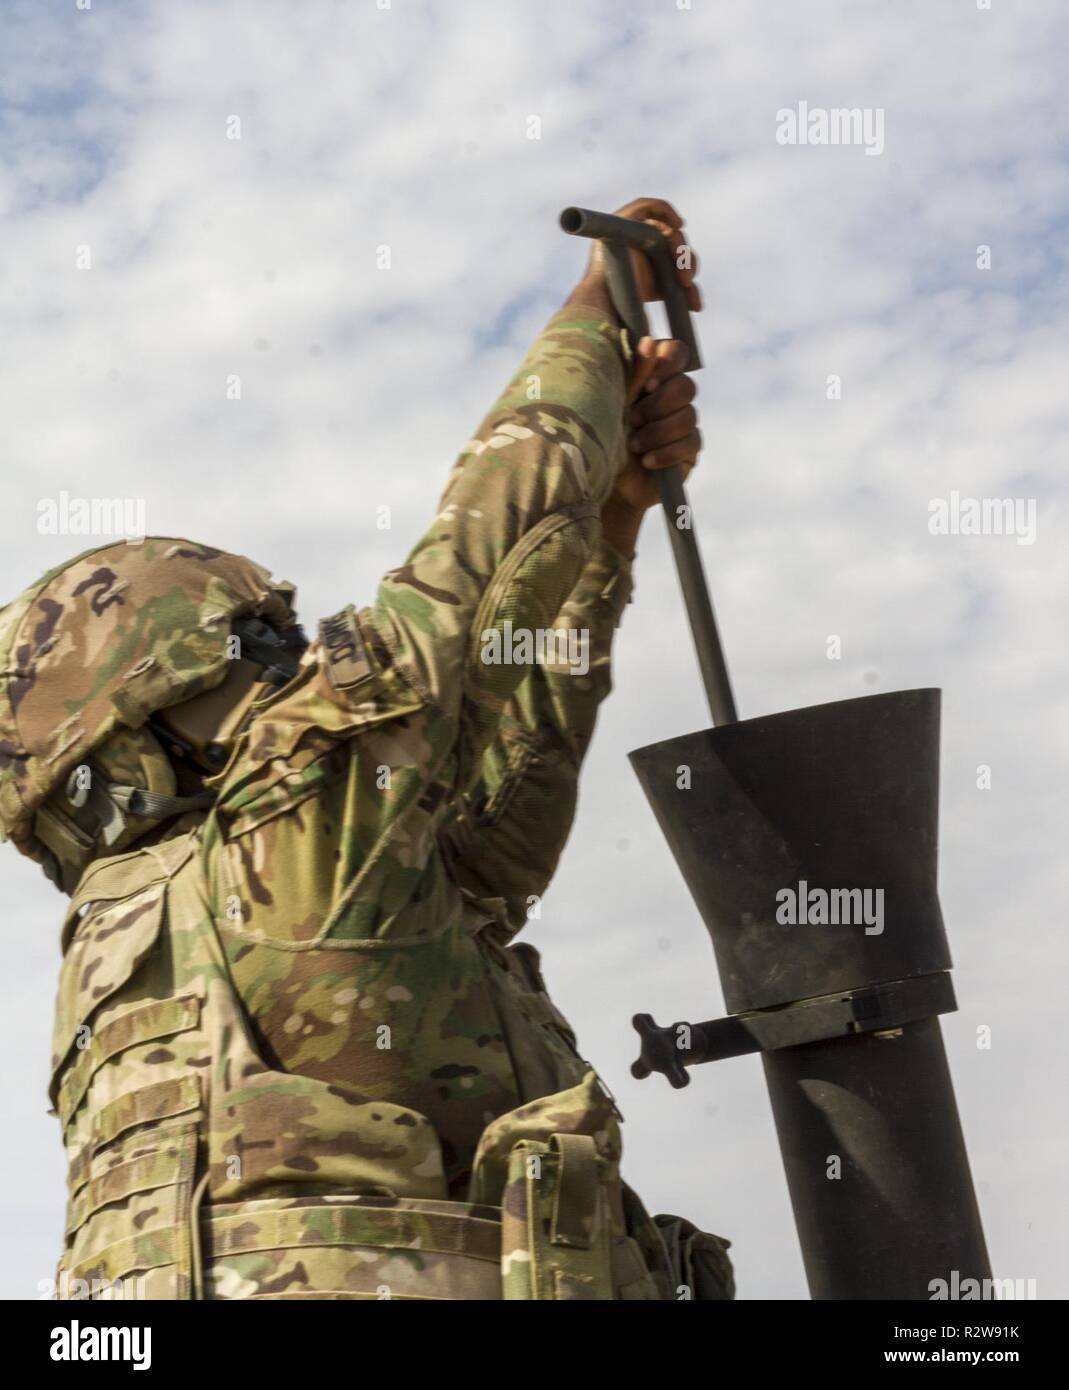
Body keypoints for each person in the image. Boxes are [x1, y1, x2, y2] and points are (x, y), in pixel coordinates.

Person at [0, 197, 733, 1300]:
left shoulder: (170, 927)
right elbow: (474, 557)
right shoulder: (288, 838)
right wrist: (594, 314)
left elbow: (499, 820)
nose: (295, 662)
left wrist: (613, 514)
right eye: (257, 642)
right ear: (154, 711)